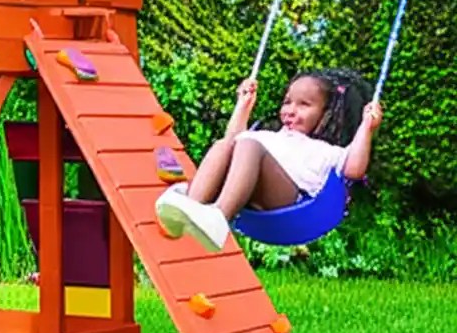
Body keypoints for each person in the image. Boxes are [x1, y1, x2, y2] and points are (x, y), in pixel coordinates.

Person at [156, 68, 383, 252]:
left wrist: (367, 128)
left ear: (327, 114)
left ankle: (219, 216)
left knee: (248, 145)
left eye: (304, 104)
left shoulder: (327, 151)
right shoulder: (271, 137)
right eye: (287, 102)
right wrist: (243, 106)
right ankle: (190, 207)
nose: (290, 110)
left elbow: (354, 169)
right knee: (225, 144)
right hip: (253, 193)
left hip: (291, 205)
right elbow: (233, 141)